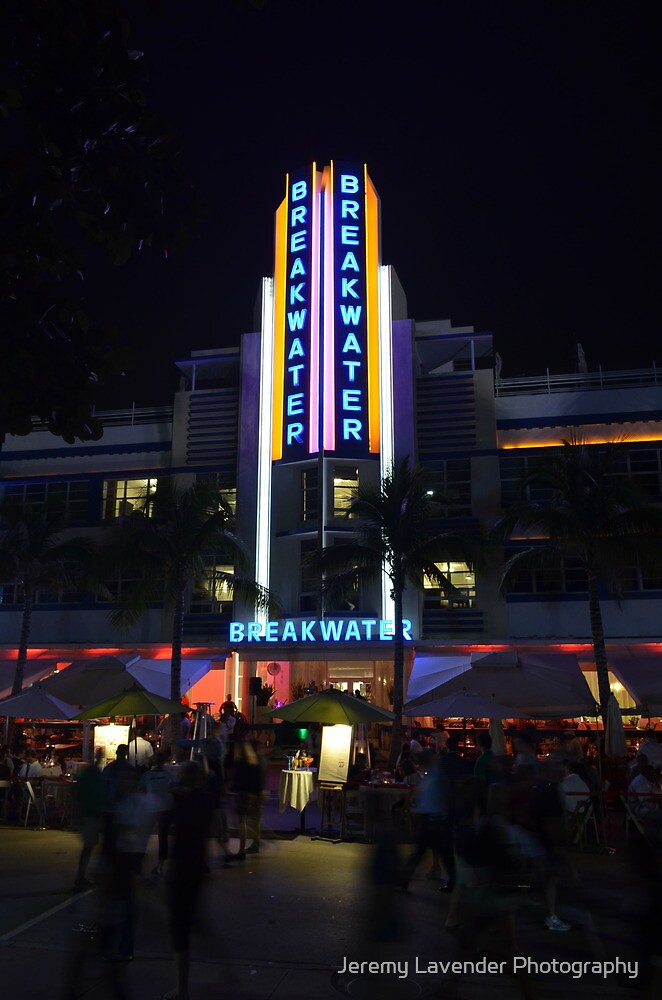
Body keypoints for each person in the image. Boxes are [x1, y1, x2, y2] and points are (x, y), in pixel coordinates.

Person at [165, 760, 213, 1000]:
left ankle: (181, 988)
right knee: (189, 918)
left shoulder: (181, 801)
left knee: (179, 928)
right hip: (197, 864)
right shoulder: (204, 801)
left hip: (182, 866)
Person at [73, 748, 105, 891]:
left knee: (89, 846)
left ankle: (82, 875)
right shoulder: (93, 774)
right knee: (88, 846)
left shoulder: (87, 773)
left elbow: (76, 793)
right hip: (90, 813)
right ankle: (81, 876)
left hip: (88, 813)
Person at [230, 736, 265, 859]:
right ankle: (255, 843)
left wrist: (232, 789)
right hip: (255, 794)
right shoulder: (256, 760)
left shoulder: (241, 762)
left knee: (241, 822)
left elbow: (237, 780)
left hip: (244, 794)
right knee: (254, 821)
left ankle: (241, 850)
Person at [141, 752, 174, 876]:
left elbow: (141, 790)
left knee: (144, 836)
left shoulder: (147, 775)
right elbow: (173, 789)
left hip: (150, 808)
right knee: (163, 837)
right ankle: (160, 865)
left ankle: (139, 863)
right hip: (166, 808)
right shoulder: (169, 775)